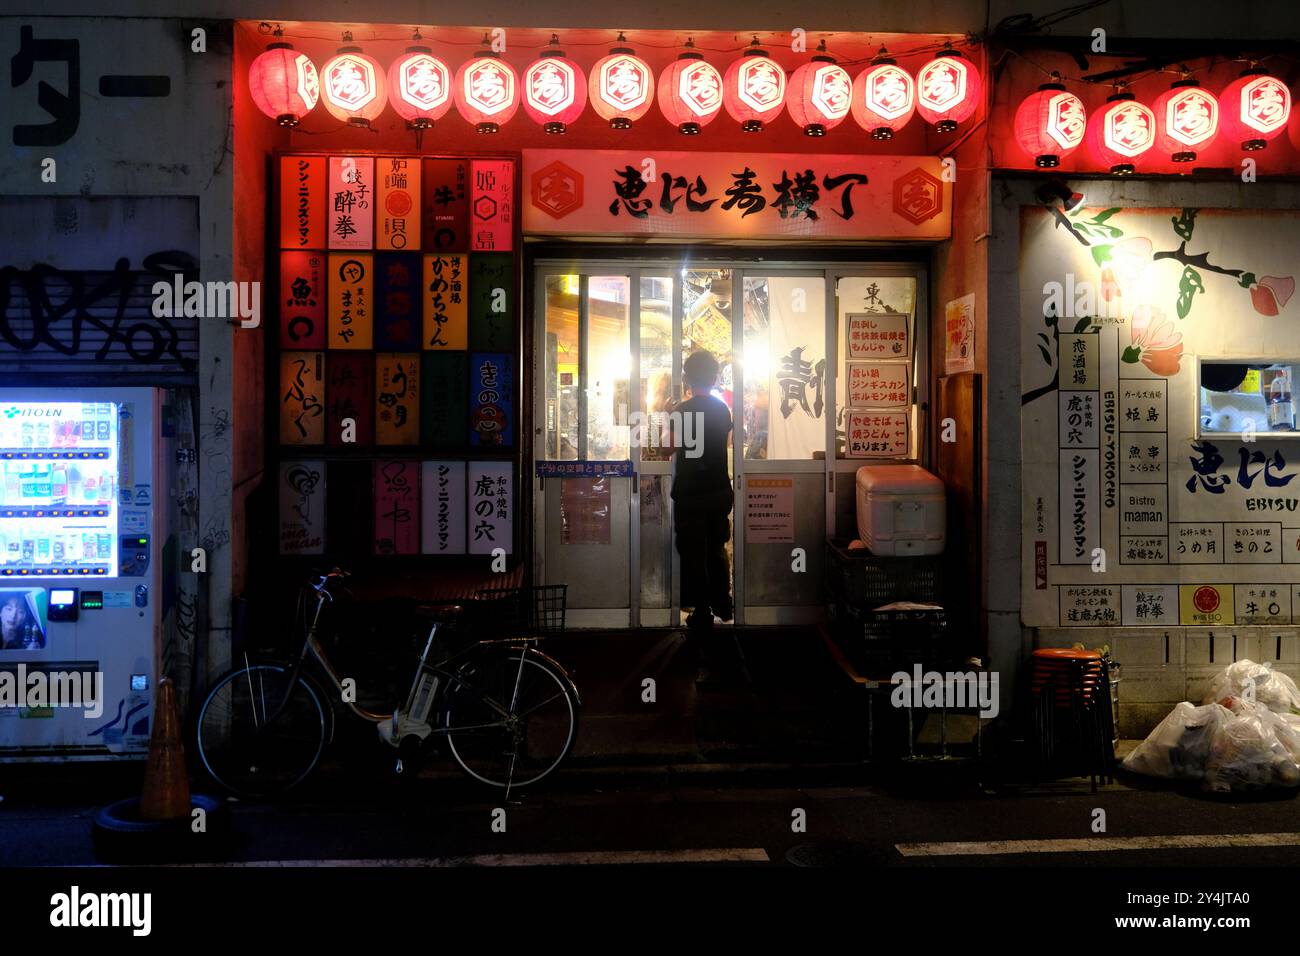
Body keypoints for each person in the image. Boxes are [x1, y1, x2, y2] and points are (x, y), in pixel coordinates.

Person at [669, 350, 734, 635]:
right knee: (716, 546)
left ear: (686, 377)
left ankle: (701, 609)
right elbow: (727, 442)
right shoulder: (722, 410)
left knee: (693, 551)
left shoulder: (681, 411)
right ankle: (723, 603)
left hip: (690, 491)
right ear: (714, 377)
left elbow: (666, 448)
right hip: (718, 489)